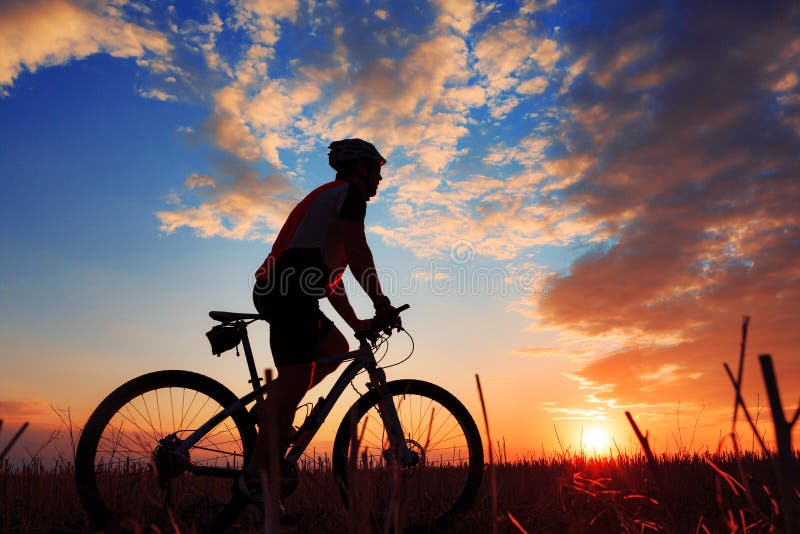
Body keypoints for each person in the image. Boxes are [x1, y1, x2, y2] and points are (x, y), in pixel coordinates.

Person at [238, 138, 399, 505]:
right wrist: (381, 302)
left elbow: (331, 282)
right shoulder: (348, 195)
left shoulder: (331, 197)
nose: (379, 178)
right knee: (296, 379)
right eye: (377, 169)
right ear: (360, 168)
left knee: (336, 348)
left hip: (290, 287)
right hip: (287, 289)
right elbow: (358, 253)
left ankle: (273, 409)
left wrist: (358, 322)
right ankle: (256, 481)